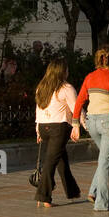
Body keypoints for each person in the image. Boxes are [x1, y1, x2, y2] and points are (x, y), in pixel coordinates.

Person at [73, 44, 109, 211]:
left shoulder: (89, 77)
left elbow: (79, 101)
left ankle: (93, 191)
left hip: (92, 122)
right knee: (104, 162)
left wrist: (75, 124)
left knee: (105, 159)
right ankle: (101, 204)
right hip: (108, 122)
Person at [33, 58, 81, 208]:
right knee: (51, 162)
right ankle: (43, 196)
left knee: (61, 159)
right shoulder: (66, 88)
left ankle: (72, 191)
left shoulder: (42, 87)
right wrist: (80, 126)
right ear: (62, 71)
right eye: (66, 69)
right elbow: (76, 109)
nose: (68, 72)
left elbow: (39, 109)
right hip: (58, 129)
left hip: (44, 127)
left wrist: (37, 129)